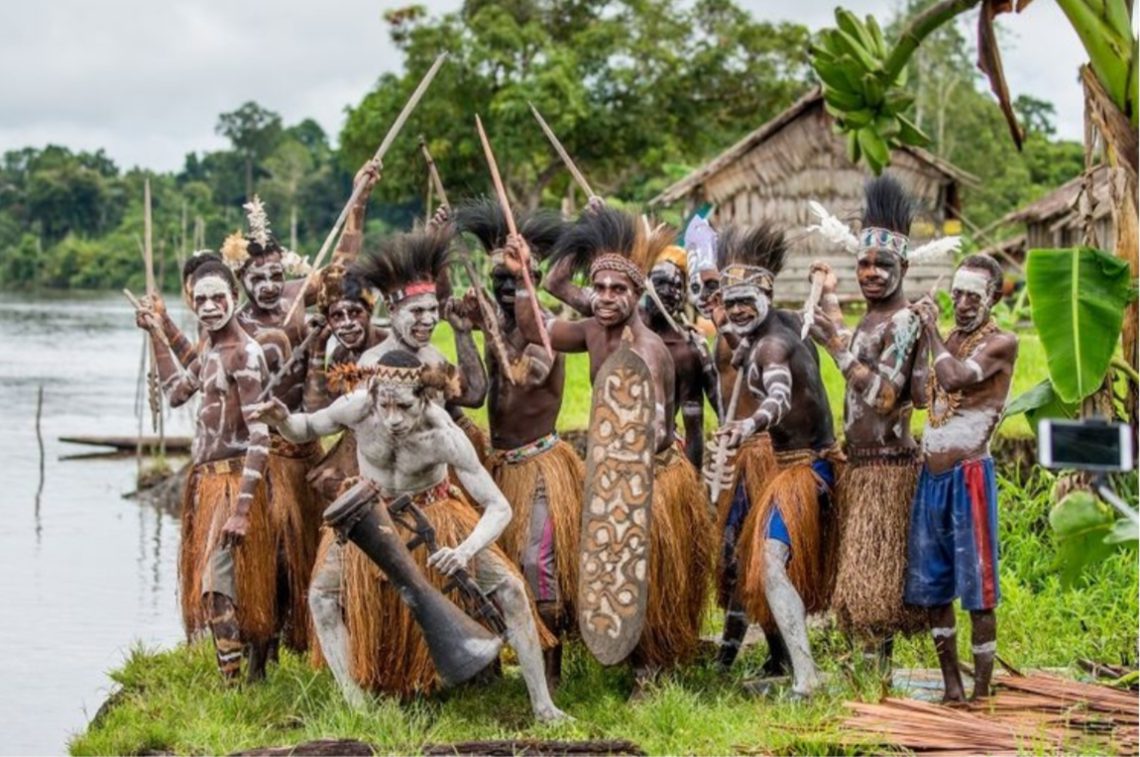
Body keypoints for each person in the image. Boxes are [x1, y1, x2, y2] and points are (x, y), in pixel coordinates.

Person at [252, 350, 566, 722]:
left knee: (512, 591)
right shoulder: (358, 407)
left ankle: (544, 707)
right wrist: (283, 420)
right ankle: (358, 709)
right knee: (321, 597)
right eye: (384, 405)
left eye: (402, 407)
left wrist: (465, 551)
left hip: (434, 516)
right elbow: (305, 428)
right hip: (369, 517)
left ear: (425, 398)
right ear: (373, 395)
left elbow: (499, 507)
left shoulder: (443, 434)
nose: (392, 419)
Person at [504, 205, 714, 693]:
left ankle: (650, 670)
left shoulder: (646, 351)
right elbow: (540, 323)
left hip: (652, 477)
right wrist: (528, 273)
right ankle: (617, 651)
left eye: (617, 290)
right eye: (597, 288)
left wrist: (624, 497)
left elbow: (649, 433)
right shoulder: (596, 329)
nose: (603, 297)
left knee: (649, 574)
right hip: (611, 472)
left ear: (637, 295)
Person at [806, 175, 954, 659]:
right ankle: (872, 672)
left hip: (889, 470)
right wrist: (827, 293)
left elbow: (886, 395)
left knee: (879, 588)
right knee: (866, 585)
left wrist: (833, 349)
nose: (870, 272)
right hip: (862, 468)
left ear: (904, 266)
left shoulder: (905, 320)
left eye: (882, 264)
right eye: (863, 263)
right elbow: (852, 340)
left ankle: (877, 675)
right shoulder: (872, 318)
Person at [455, 199, 582, 689]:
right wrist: (463, 330)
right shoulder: (495, 327)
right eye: (500, 284)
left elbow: (530, 374)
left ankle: (550, 672)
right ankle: (493, 664)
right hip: (499, 466)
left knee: (538, 565)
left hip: (541, 467)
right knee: (490, 564)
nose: (507, 292)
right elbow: (473, 393)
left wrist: (523, 275)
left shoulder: (547, 328)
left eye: (517, 282)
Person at [133, 253, 276, 681]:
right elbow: (178, 392)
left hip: (234, 483)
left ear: (234, 297)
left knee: (217, 589)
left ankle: (234, 689)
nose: (209, 306)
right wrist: (157, 333)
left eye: (218, 298)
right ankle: (235, 683)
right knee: (214, 589)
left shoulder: (245, 355)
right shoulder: (212, 347)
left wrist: (241, 509)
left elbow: (261, 436)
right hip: (207, 485)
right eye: (200, 300)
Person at [716, 233, 840, 699]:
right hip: (813, 462)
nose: (739, 310)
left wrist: (747, 427)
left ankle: (805, 677)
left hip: (803, 469)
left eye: (747, 301)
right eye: (731, 303)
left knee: (769, 563)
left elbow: (778, 395)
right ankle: (798, 666)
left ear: (765, 295)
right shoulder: (787, 322)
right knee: (769, 564)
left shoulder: (770, 349)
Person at [907, 253, 1018, 702]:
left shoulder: (1002, 343)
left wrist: (932, 333)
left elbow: (952, 380)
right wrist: (917, 339)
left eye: (974, 295)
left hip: (968, 474)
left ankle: (982, 692)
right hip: (931, 478)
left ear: (992, 298)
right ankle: (953, 685)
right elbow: (921, 396)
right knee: (933, 587)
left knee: (978, 588)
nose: (963, 302)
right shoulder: (949, 338)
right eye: (957, 294)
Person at [302, 266, 386, 502]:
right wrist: (318, 349)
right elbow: (316, 412)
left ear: (369, 311)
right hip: (358, 445)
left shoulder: (391, 347)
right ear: (328, 321)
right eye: (337, 316)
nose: (347, 324)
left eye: (355, 313)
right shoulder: (341, 355)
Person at [641, 244, 719, 470]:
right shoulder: (621, 330)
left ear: (684, 294)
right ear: (645, 284)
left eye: (675, 285)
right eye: (659, 283)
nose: (665, 291)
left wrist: (691, 487)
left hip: (658, 458)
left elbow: (694, 428)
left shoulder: (686, 351)